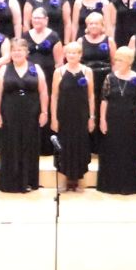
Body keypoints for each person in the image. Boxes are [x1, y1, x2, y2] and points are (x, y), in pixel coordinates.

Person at [0, 38, 49, 193]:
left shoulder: (36, 68)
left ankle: (29, 181)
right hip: (10, 112)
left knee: (29, 146)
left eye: (20, 50)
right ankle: (9, 182)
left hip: (31, 112)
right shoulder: (4, 69)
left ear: (26, 52)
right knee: (10, 146)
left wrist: (44, 111)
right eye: (14, 50)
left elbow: (43, 91)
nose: (17, 53)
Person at [98, 46, 136, 195]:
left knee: (128, 152)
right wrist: (102, 120)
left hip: (130, 120)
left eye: (120, 60)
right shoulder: (110, 78)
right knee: (112, 151)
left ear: (128, 62)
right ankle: (110, 185)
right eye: (117, 59)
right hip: (112, 119)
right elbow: (104, 100)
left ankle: (128, 185)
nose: (117, 62)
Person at [51, 42, 95, 190]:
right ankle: (65, 179)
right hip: (64, 115)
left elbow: (90, 96)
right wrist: (54, 118)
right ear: (65, 55)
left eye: (75, 53)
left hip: (81, 115)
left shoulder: (87, 71)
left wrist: (92, 117)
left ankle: (78, 179)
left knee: (80, 145)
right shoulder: (59, 72)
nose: (72, 55)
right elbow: (54, 96)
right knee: (64, 146)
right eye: (69, 53)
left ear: (80, 55)